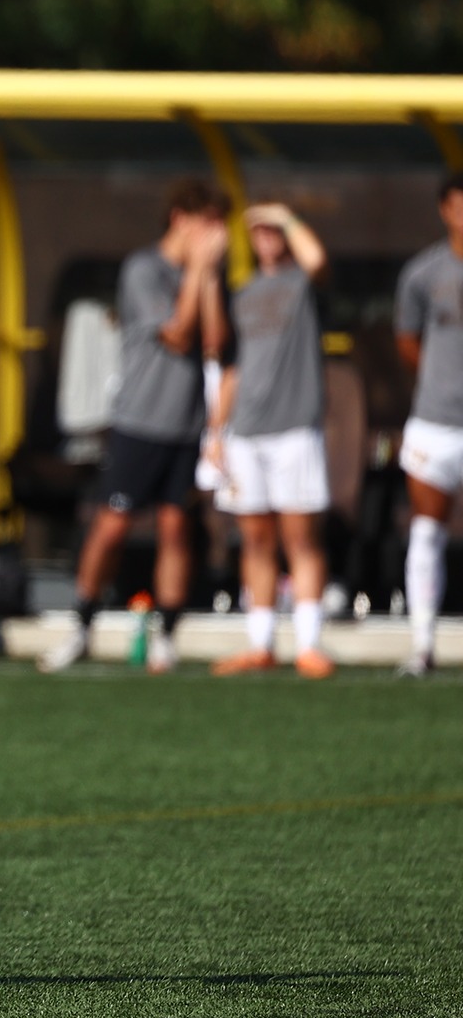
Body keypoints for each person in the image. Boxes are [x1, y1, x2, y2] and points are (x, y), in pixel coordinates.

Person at [41, 179, 231, 674]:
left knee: (175, 527)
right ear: (181, 219)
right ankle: (81, 622)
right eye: (208, 224)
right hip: (138, 420)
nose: (215, 236)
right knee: (113, 524)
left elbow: (213, 341)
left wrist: (208, 278)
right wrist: (197, 272)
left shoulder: (210, 273)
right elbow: (176, 333)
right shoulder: (144, 269)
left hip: (185, 425)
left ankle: (167, 631)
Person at [208, 203, 335, 679]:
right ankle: (260, 644)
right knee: (255, 539)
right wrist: (216, 432)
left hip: (295, 426)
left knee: (301, 537)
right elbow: (231, 370)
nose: (267, 237)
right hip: (246, 431)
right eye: (258, 230)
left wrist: (286, 216)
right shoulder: (241, 294)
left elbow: (317, 259)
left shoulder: (303, 285)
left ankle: (310, 645)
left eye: (274, 230)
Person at [393, 172, 463, 676]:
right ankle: (422, 644)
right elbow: (408, 341)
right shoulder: (423, 272)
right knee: (426, 531)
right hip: (435, 422)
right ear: (445, 208)